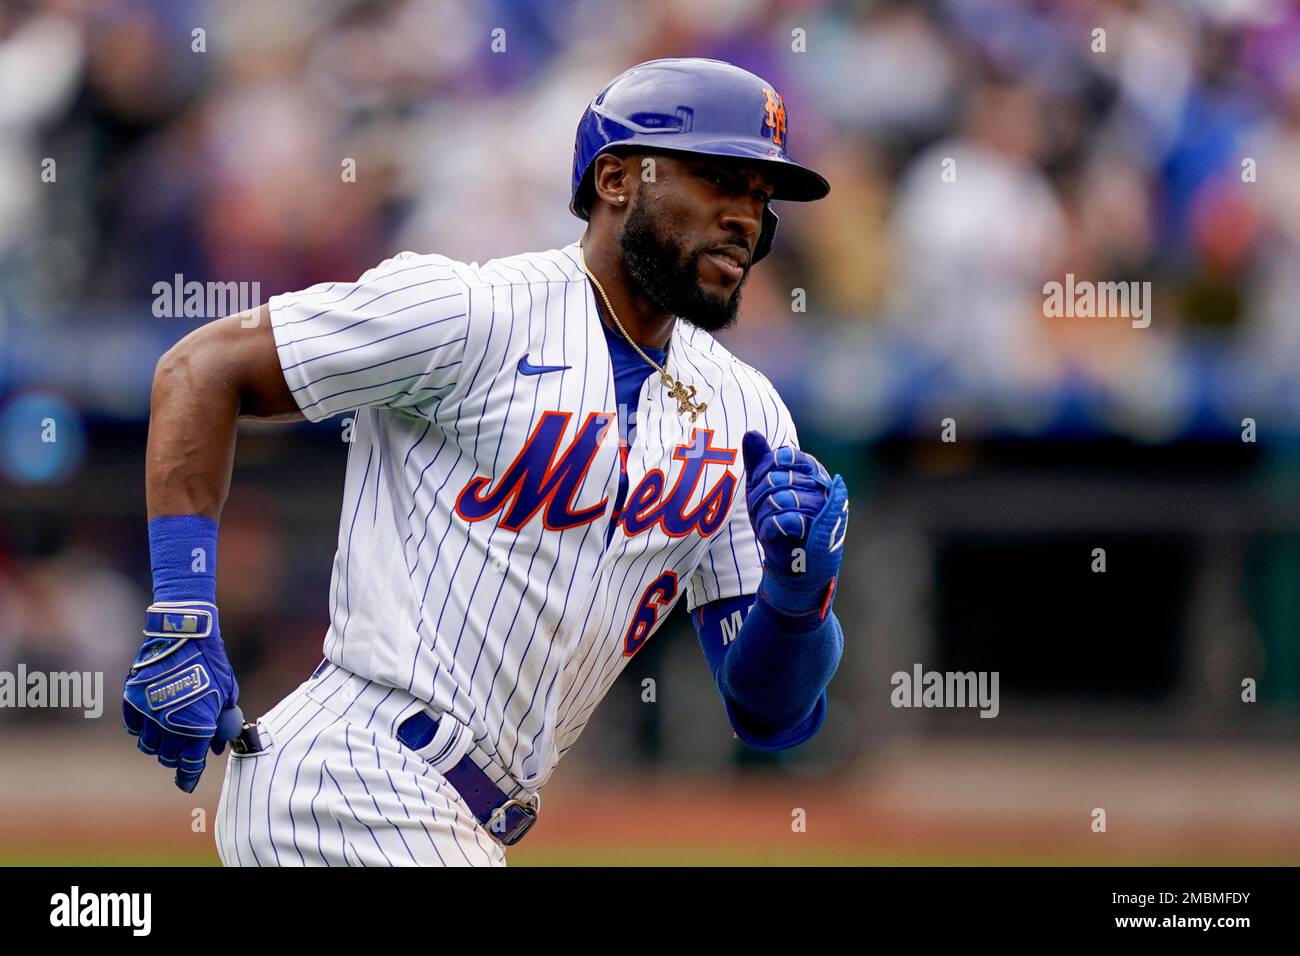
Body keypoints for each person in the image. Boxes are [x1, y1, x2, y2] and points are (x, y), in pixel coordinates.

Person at [123, 57, 849, 866]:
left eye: (760, 196)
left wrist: (797, 597)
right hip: (351, 778)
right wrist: (183, 611)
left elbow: (772, 714)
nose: (746, 217)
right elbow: (201, 369)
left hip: (462, 820)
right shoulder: (470, 310)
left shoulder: (748, 412)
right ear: (617, 179)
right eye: (721, 179)